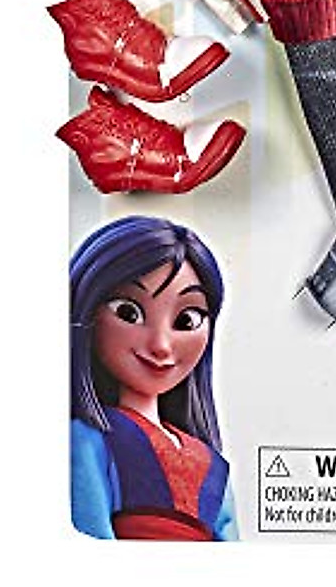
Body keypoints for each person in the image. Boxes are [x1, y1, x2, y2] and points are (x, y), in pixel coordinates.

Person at [70, 216, 237, 540]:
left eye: (187, 320)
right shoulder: (87, 440)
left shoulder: (212, 465)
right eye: (128, 312)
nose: (161, 344)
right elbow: (90, 537)